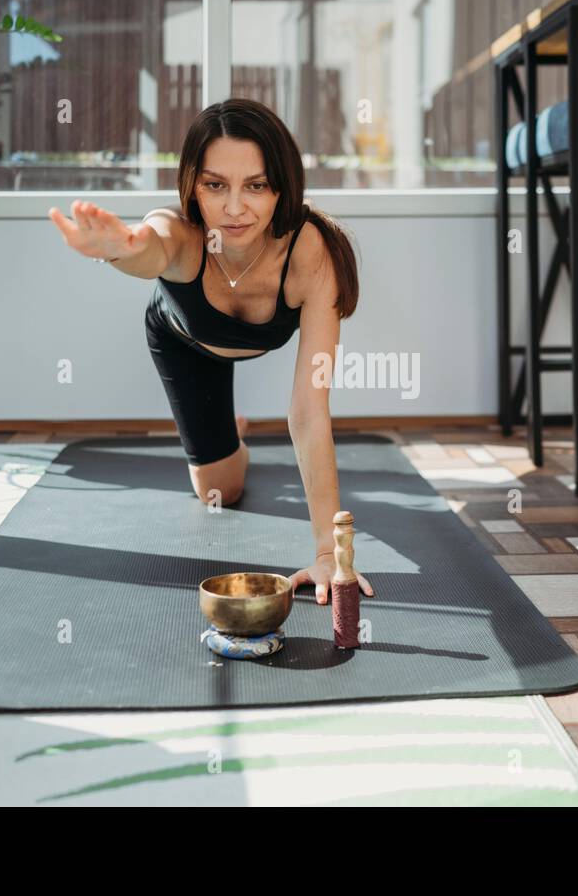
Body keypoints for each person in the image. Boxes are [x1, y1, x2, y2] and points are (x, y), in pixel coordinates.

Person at [47, 98, 373, 606]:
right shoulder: (180, 232)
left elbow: (309, 412)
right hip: (186, 344)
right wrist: (118, 248)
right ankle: (233, 435)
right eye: (215, 185)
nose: (235, 207)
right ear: (192, 186)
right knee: (220, 490)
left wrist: (328, 554)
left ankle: (232, 425)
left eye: (256, 185)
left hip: (248, 344)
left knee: (241, 475)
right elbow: (149, 247)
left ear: (282, 186)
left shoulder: (312, 254)